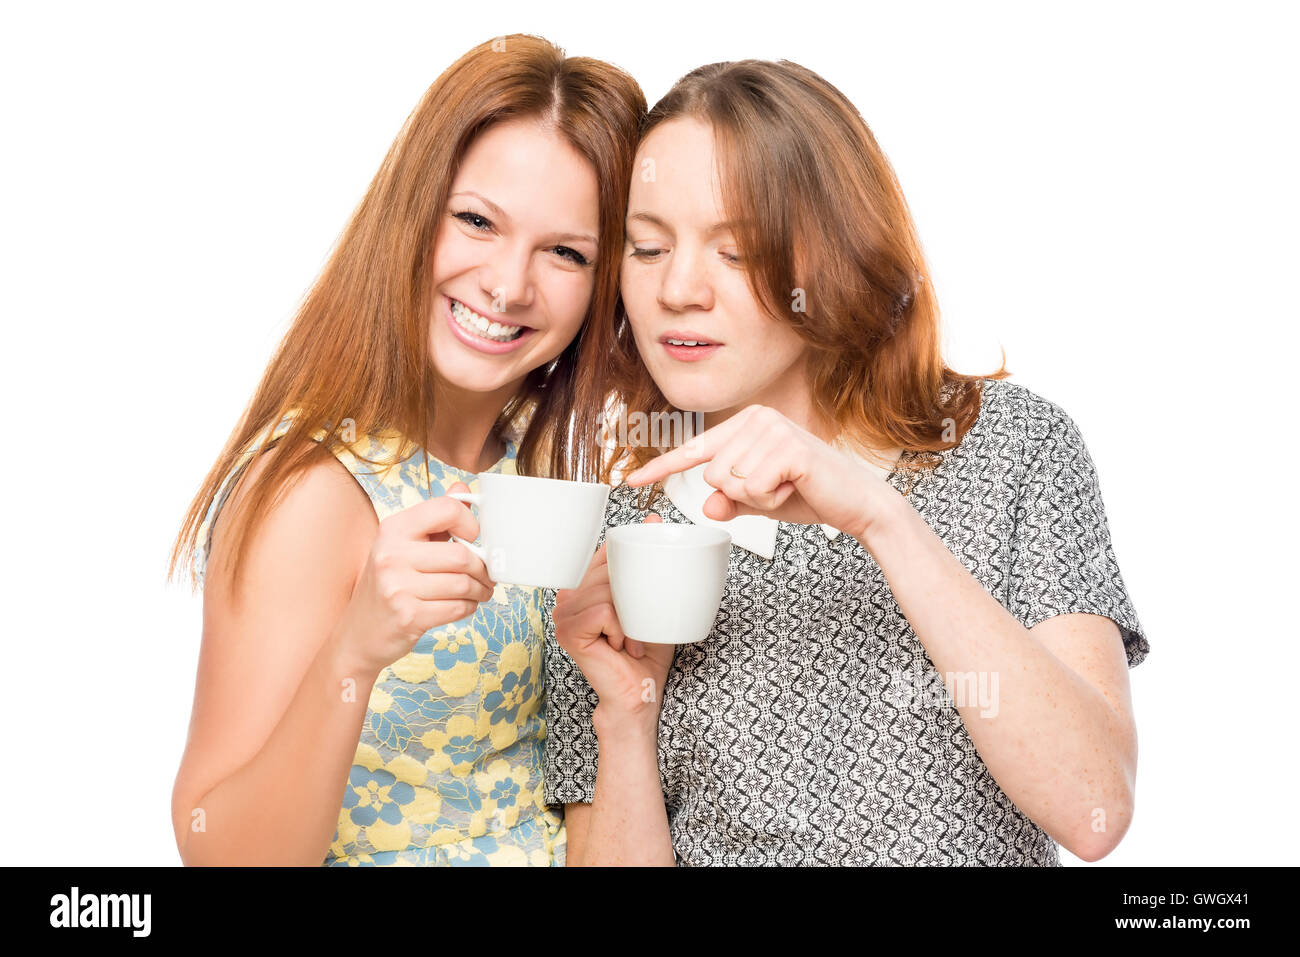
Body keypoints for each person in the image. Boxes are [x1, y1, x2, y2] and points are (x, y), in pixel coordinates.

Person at [544, 59, 1150, 866]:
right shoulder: (620, 539)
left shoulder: (1014, 447)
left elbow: (1095, 808)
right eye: (647, 247)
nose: (678, 289)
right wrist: (626, 715)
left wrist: (880, 517)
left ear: (834, 254)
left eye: (736, 251)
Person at [167, 34, 644, 866]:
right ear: (413, 213)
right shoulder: (314, 490)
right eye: (477, 221)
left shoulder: (538, 466)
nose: (508, 285)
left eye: (566, 252)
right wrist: (354, 648)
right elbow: (217, 850)